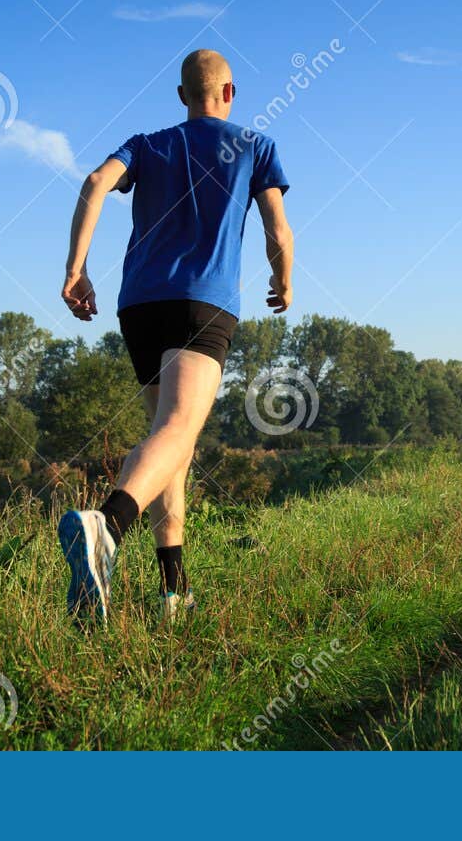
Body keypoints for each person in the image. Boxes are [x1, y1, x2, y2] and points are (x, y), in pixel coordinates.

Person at [56, 49, 293, 624]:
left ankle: (173, 590)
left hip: (138, 304)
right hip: (202, 301)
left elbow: (94, 182)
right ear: (229, 93)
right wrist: (283, 281)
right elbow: (277, 229)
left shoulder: (147, 143)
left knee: (171, 444)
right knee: (178, 431)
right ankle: (106, 526)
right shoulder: (255, 146)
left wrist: (75, 268)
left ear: (183, 95)